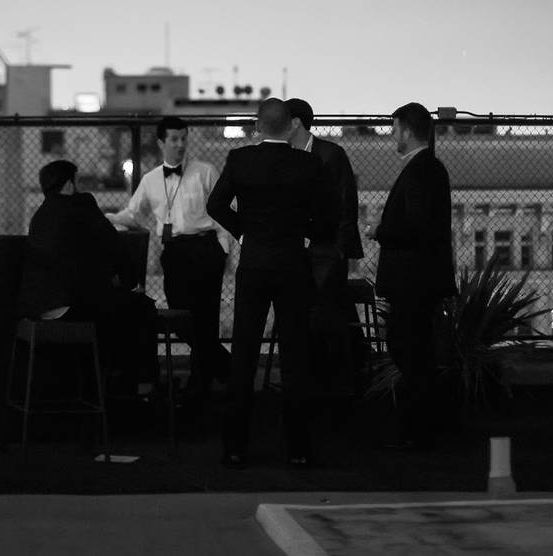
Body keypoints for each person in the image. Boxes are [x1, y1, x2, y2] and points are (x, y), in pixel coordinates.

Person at [206, 98, 335, 468]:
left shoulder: (240, 160)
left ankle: (234, 446)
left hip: (255, 262)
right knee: (295, 356)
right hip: (292, 262)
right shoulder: (309, 164)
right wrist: (302, 234)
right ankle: (297, 448)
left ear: (258, 125)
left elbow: (215, 205)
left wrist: (244, 234)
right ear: (289, 126)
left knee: (244, 353)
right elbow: (327, 219)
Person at [107, 116, 231, 404]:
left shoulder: (205, 172)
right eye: (174, 139)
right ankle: (229, 370)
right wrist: (105, 219)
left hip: (205, 248)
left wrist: (223, 248)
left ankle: (201, 384)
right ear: (161, 142)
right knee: (181, 318)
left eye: (184, 138)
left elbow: (224, 211)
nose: (180, 144)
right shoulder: (150, 180)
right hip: (174, 252)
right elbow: (133, 214)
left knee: (207, 318)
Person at [17, 160, 158, 394]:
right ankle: (137, 391)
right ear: (70, 184)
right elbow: (113, 247)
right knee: (141, 308)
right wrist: (129, 282)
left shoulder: (40, 216)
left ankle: (97, 391)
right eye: (78, 180)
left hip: (38, 312)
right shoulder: (82, 204)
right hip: (72, 308)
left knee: (113, 312)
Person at [372, 103, 456, 449]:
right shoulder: (428, 169)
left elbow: (416, 226)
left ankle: (420, 428)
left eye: (395, 128)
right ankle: (423, 426)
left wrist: (380, 231)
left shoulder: (421, 171)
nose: (392, 135)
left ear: (407, 130)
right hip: (420, 279)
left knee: (411, 350)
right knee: (414, 350)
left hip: (413, 280)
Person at [285, 98, 366, 398]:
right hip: (299, 251)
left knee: (325, 317)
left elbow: (347, 204)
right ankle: (323, 383)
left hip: (326, 251)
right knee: (310, 317)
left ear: (296, 123)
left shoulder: (331, 154)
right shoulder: (291, 156)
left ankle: (335, 386)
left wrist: (339, 250)